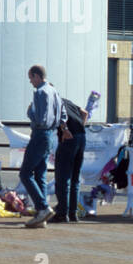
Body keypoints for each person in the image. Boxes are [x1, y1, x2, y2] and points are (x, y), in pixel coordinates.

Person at [20, 64, 62, 229]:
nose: (30, 81)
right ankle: (41, 215)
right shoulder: (54, 91)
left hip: (40, 134)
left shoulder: (41, 92)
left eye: (31, 78)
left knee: (25, 173)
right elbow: (60, 115)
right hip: (51, 134)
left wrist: (30, 113)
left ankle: (43, 207)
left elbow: (40, 119)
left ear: (37, 76)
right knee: (40, 174)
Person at [49, 95, 87, 224]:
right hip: (81, 136)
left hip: (69, 137)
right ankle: (73, 213)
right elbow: (84, 112)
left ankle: (62, 213)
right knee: (75, 177)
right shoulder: (67, 101)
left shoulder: (52, 101)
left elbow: (60, 116)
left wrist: (65, 130)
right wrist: (80, 127)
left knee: (62, 178)